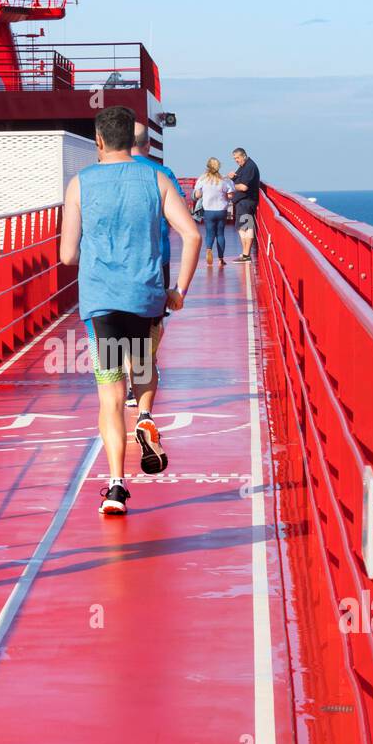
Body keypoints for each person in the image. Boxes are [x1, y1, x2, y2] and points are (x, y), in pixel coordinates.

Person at [60, 104, 201, 516]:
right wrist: (179, 291)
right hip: (145, 298)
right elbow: (191, 235)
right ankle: (145, 416)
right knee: (143, 364)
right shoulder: (156, 179)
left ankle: (117, 486)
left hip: (102, 303)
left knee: (109, 392)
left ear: (99, 141)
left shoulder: (80, 184)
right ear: (133, 141)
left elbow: (68, 254)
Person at [124, 122, 184, 442]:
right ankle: (144, 392)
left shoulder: (103, 173)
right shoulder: (163, 174)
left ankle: (116, 477)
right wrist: (182, 289)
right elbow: (184, 223)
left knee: (117, 333)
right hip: (155, 261)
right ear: (148, 145)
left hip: (114, 269)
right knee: (151, 323)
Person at [194, 158, 233, 265]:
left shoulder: (202, 179)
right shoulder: (224, 180)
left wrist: (204, 194)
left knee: (209, 234)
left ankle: (208, 249)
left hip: (209, 211)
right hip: (221, 210)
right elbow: (230, 195)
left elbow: (197, 195)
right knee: (220, 234)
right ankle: (221, 259)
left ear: (208, 167)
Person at [229, 147, 261, 261]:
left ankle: (246, 255)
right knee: (242, 228)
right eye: (234, 159)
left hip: (247, 201)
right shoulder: (244, 166)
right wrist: (233, 178)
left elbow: (243, 187)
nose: (236, 160)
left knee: (247, 227)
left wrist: (233, 184)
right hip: (242, 201)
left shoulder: (249, 167)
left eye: (237, 158)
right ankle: (245, 253)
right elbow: (238, 180)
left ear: (243, 156)